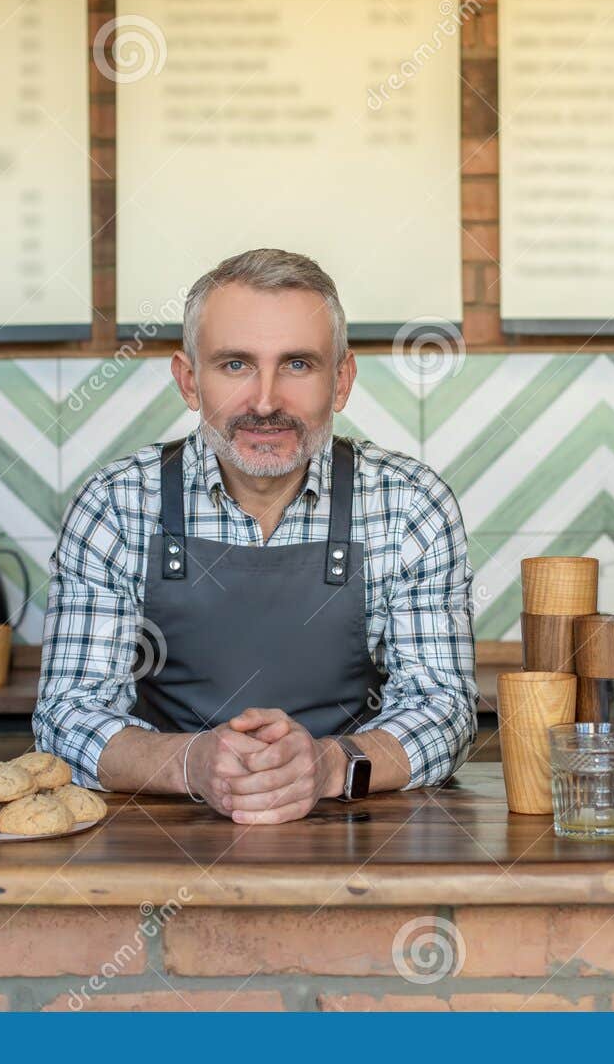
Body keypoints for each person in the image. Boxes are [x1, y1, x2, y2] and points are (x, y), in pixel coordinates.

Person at [33, 248, 477, 824]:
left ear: (341, 381)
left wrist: (328, 765)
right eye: (236, 365)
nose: (265, 402)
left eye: (297, 364)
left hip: (355, 838)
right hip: (161, 837)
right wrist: (194, 764)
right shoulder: (117, 504)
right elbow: (67, 716)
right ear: (189, 380)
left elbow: (444, 708)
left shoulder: (410, 504)